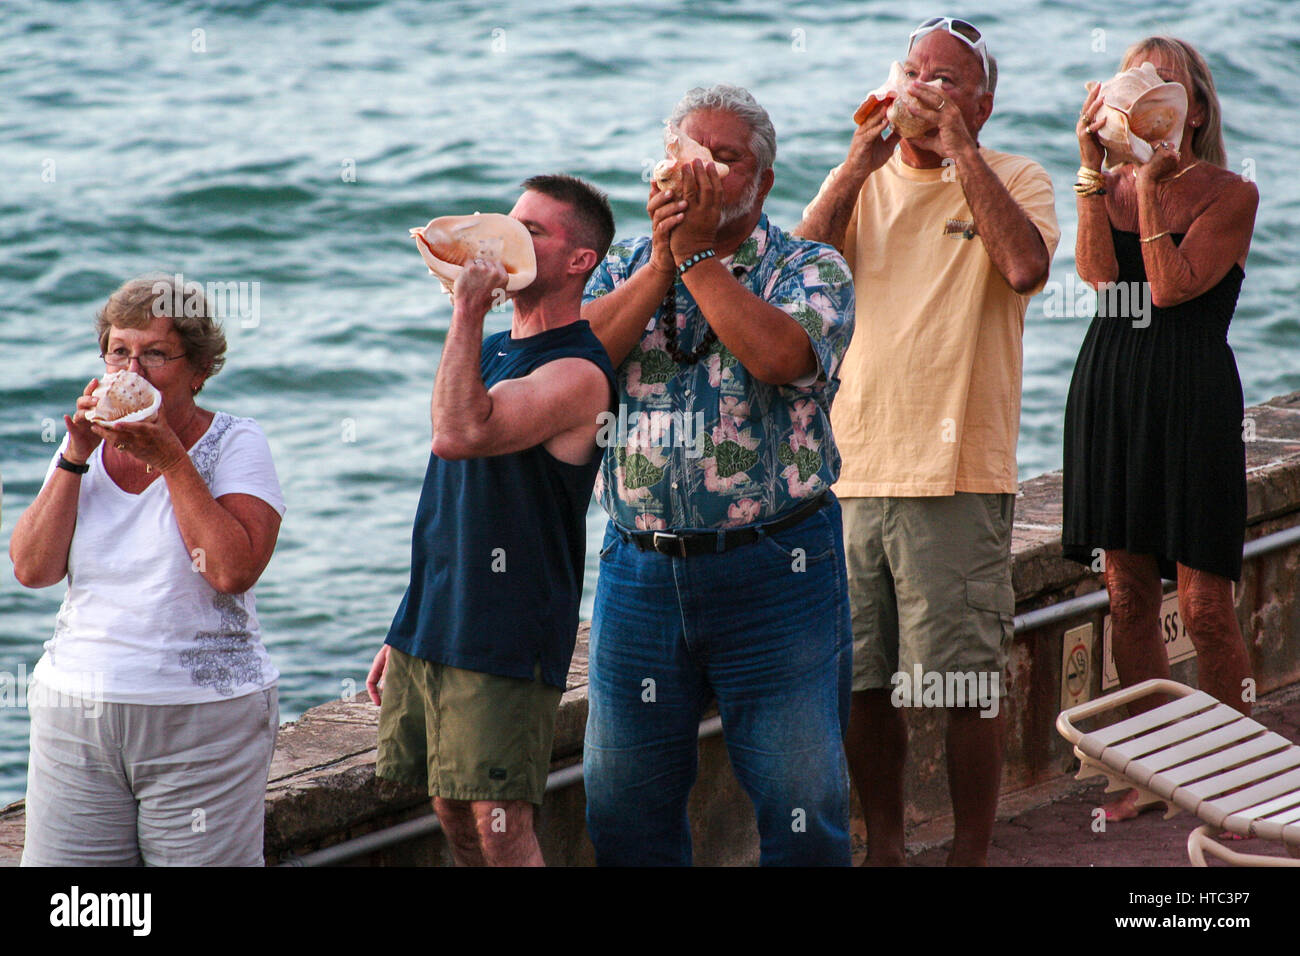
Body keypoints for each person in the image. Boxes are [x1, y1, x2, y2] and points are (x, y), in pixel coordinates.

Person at [798, 17, 1058, 865]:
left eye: (945, 80)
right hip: (851, 474)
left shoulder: (1015, 177)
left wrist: (961, 155)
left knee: (962, 686)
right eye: (913, 70)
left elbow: (1024, 268)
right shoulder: (863, 183)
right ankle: (888, 848)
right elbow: (799, 273)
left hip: (955, 476)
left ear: (982, 104)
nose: (923, 87)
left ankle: (972, 851)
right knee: (865, 685)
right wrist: (855, 163)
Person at [581, 84, 857, 866]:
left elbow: (780, 359)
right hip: (640, 571)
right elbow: (577, 359)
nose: (699, 172)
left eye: (723, 159)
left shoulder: (810, 268)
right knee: (623, 807)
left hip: (779, 569)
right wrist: (664, 264)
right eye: (685, 156)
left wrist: (699, 258)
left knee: (803, 805)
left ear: (763, 182)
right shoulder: (624, 267)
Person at [366, 175, 616, 867]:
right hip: (440, 617)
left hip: (508, 627)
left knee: (501, 825)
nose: (510, 238)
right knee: (448, 804)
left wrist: (466, 311)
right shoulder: (492, 350)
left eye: (533, 231)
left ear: (579, 262)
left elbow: (458, 434)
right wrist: (408, 621)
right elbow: (448, 501)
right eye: (511, 222)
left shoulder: (578, 372)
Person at [11, 275, 285, 866]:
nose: (132, 371)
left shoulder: (237, 443)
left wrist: (167, 457)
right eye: (119, 352)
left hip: (202, 719)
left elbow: (232, 571)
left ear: (200, 369)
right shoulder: (82, 450)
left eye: (156, 354)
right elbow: (32, 569)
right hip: (76, 709)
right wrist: (75, 454)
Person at [1062, 37, 1258, 821]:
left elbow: (1171, 290)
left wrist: (1146, 177)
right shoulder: (1103, 185)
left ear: (1197, 108)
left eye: (1165, 88)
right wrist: (1090, 168)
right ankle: (1156, 771)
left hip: (1192, 394)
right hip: (1113, 388)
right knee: (1127, 593)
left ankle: (1239, 774)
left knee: (1206, 602)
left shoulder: (1231, 192)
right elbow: (1101, 279)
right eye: (1134, 85)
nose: (1147, 101)